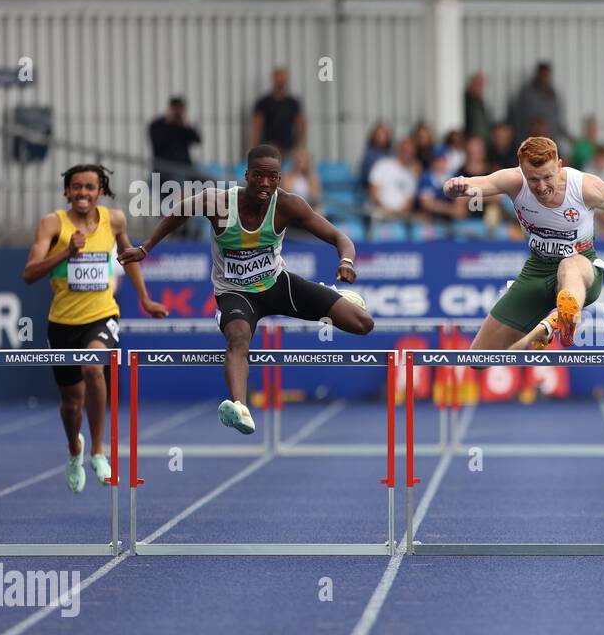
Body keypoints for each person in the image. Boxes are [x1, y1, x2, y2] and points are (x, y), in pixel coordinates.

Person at [119, 145, 374, 434]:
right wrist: (146, 247)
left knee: (363, 324)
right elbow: (181, 210)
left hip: (277, 285)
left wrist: (347, 261)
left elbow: (339, 236)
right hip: (235, 292)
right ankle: (239, 407)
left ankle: (335, 296)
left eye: (273, 177)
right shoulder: (219, 203)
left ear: (280, 179)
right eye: (259, 176)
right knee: (238, 339)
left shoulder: (288, 205)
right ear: (247, 175)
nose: (265, 184)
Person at [22, 164, 167, 492]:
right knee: (71, 404)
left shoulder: (114, 220)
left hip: (102, 315)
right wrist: (66, 252)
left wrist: (145, 298)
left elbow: (127, 258)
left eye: (90, 187)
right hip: (62, 323)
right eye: (76, 187)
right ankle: (76, 449)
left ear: (100, 190)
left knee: (94, 367)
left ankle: (99, 451)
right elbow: (29, 273)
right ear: (66, 191)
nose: (83, 193)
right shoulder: (52, 224)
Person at [443, 136, 604, 353]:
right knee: (478, 358)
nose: (542, 187)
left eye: (548, 177)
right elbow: (473, 184)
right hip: (536, 272)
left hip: (582, 270)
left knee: (569, 265)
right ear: (521, 170)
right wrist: (454, 187)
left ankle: (568, 317)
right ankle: (541, 330)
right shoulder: (514, 181)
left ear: (559, 165)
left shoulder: (585, 187)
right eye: (533, 179)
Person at [250, 68, 305, 157]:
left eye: (282, 77)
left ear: (286, 79)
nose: (280, 80)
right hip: (267, 147)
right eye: (278, 77)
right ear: (273, 79)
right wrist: (256, 147)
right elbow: (256, 126)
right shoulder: (263, 102)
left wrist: (298, 145)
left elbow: (300, 125)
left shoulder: (293, 103)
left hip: (288, 148)